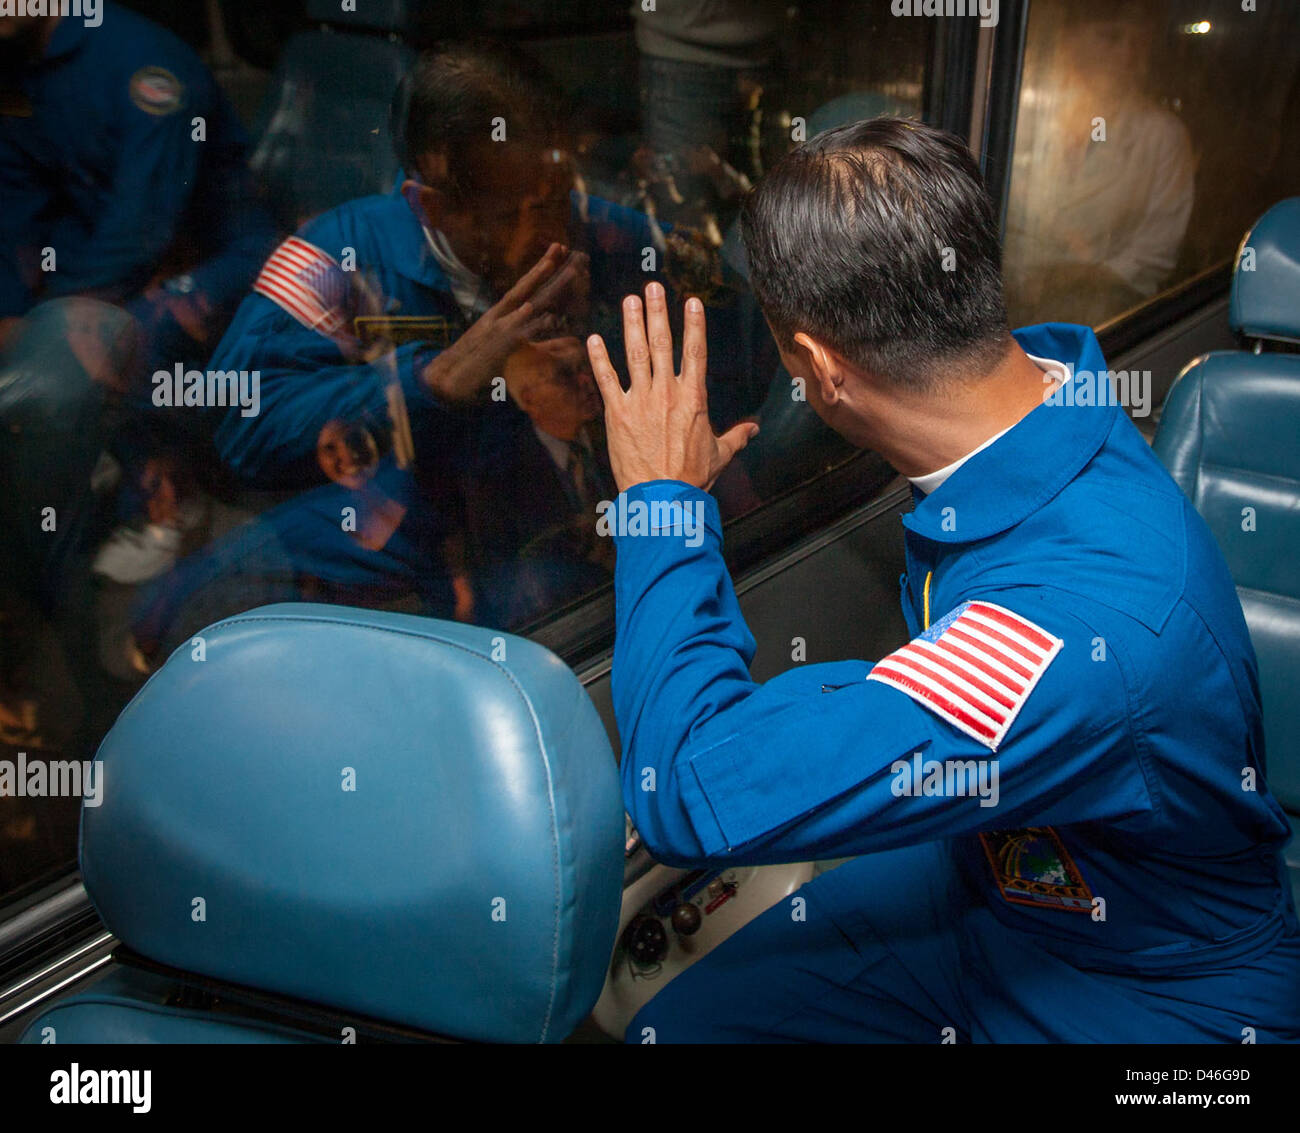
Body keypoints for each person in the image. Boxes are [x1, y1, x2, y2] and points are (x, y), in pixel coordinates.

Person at [585, 117, 1300, 1042]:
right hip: (1001, 876)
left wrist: (662, 506)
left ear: (822, 372)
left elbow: (684, 785)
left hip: (1160, 995)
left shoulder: (1068, 637)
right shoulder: (1053, 395)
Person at [0, 3, 275, 374]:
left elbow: (143, 222)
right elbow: (18, 200)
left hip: (215, 252)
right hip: (105, 242)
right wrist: (11, 310)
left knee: (97, 357)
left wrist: (55, 316)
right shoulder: (25, 63)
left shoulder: (142, 62)